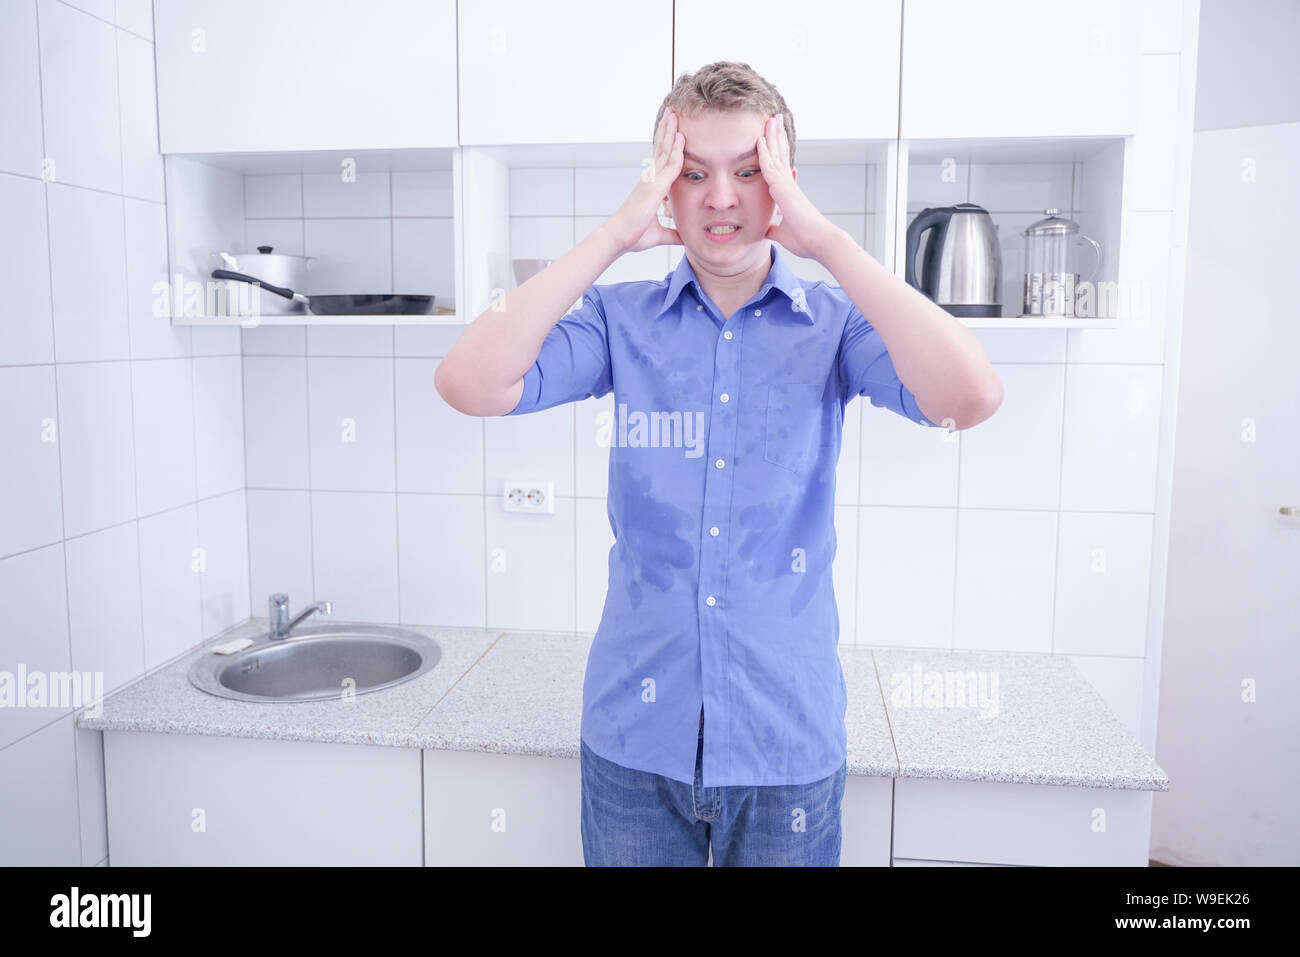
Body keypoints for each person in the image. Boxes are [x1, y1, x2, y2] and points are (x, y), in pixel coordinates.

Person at [435, 61, 1003, 866]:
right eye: (692, 172)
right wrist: (612, 236)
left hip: (785, 745)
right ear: (663, 189)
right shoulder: (616, 318)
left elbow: (970, 397)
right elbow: (468, 382)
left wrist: (829, 241)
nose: (721, 197)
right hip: (637, 746)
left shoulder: (835, 324)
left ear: (784, 186)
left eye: (748, 171)